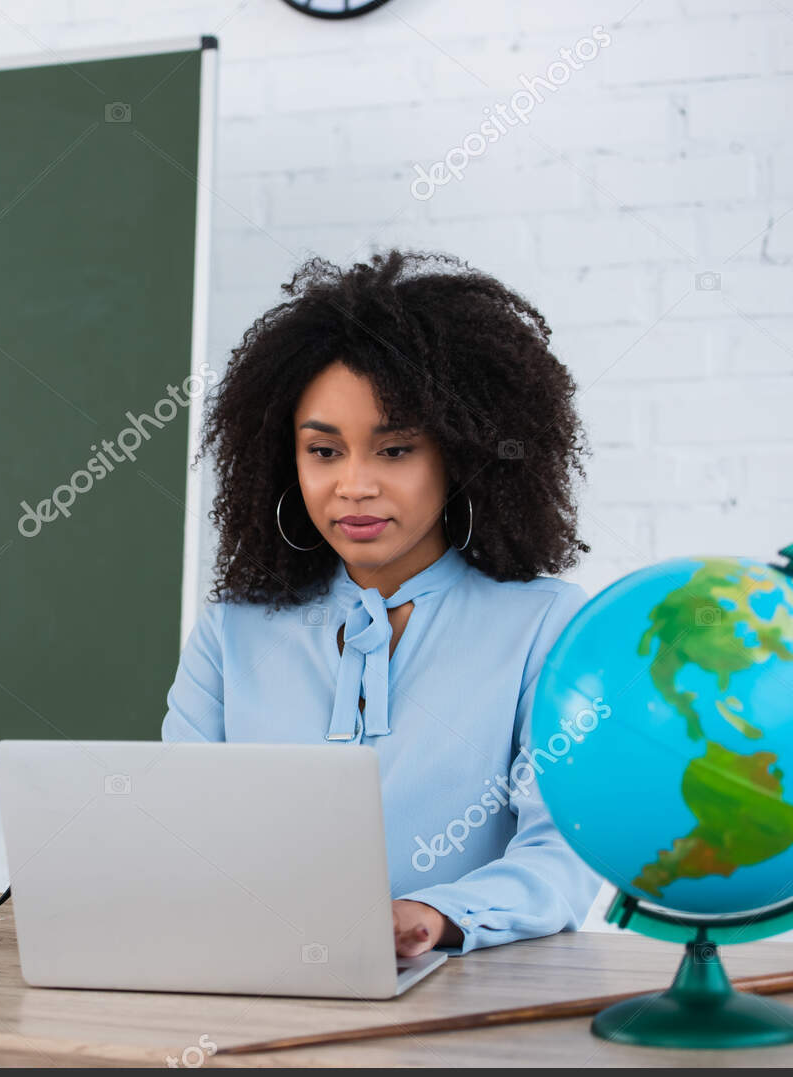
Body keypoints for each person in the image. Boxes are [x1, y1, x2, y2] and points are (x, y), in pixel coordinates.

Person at [164, 250, 602, 958]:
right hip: (256, 981)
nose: (354, 486)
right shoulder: (232, 631)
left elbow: (566, 854)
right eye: (324, 452)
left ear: (462, 456)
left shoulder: (545, 626)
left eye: (395, 451)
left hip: (461, 996)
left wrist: (436, 914)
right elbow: (175, 831)